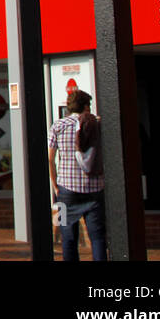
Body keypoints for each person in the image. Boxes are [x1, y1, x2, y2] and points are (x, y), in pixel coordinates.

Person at [48, 88, 107, 261]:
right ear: (86, 107)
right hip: (95, 189)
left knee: (68, 237)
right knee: (97, 237)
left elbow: (50, 159)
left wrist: (55, 186)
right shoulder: (96, 125)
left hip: (66, 191)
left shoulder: (58, 126)